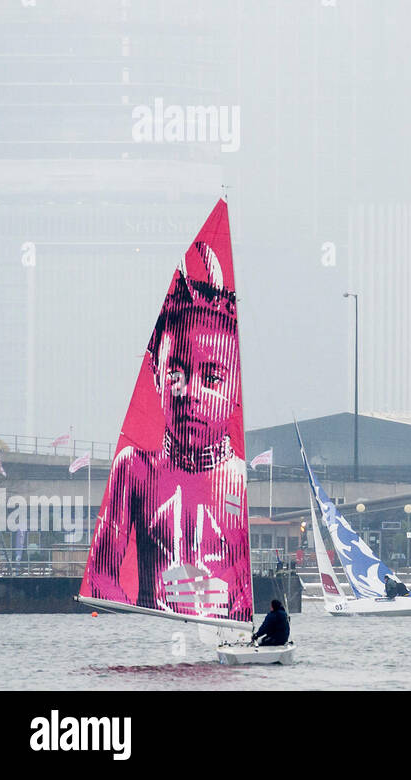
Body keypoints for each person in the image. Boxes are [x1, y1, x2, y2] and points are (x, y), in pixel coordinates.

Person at [82, 238, 251, 622]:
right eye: (176, 373)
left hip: (217, 634)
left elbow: (244, 596)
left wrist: (227, 603)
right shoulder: (135, 469)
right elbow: (101, 580)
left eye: (211, 377)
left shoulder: (238, 481)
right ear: (156, 375)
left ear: (236, 388)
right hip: (155, 635)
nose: (190, 393)